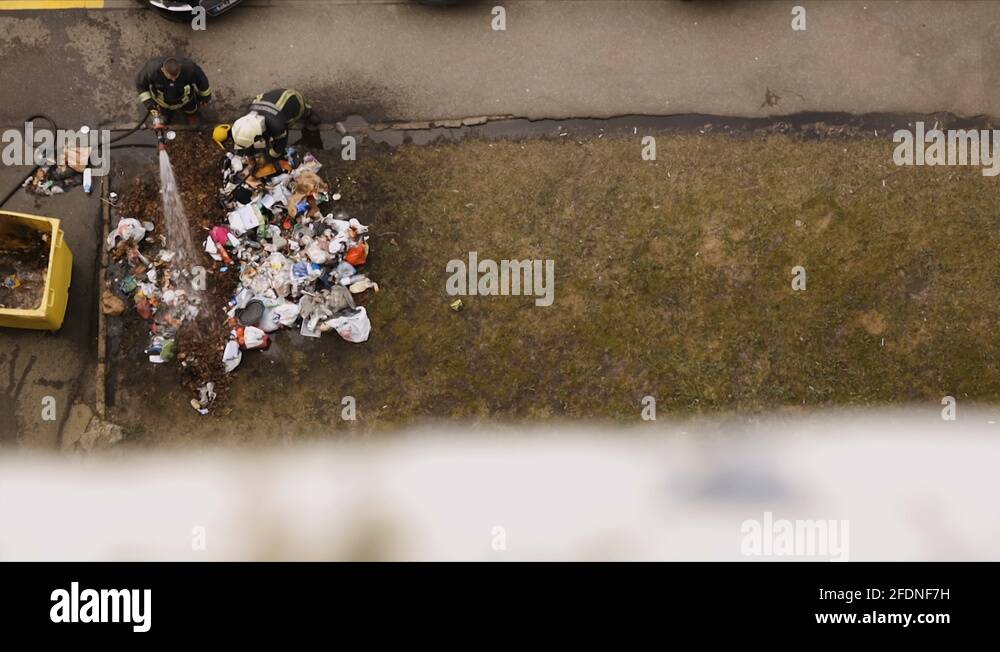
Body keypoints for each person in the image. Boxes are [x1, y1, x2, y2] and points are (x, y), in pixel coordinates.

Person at [225, 89, 320, 159]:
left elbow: (280, 146)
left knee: (304, 117)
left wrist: (269, 157)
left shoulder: (277, 126)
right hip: (272, 100)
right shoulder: (248, 117)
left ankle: (309, 114)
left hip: (293, 99)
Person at [135, 56, 212, 126]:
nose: (174, 80)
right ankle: (165, 117)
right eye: (171, 77)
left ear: (180, 67)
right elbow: (141, 84)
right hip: (162, 102)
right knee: (164, 112)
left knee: (191, 108)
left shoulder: (190, 69)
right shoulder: (151, 70)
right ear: (163, 70)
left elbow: (202, 82)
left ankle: (191, 116)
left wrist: (205, 97)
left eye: (176, 76)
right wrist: (149, 104)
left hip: (185, 100)